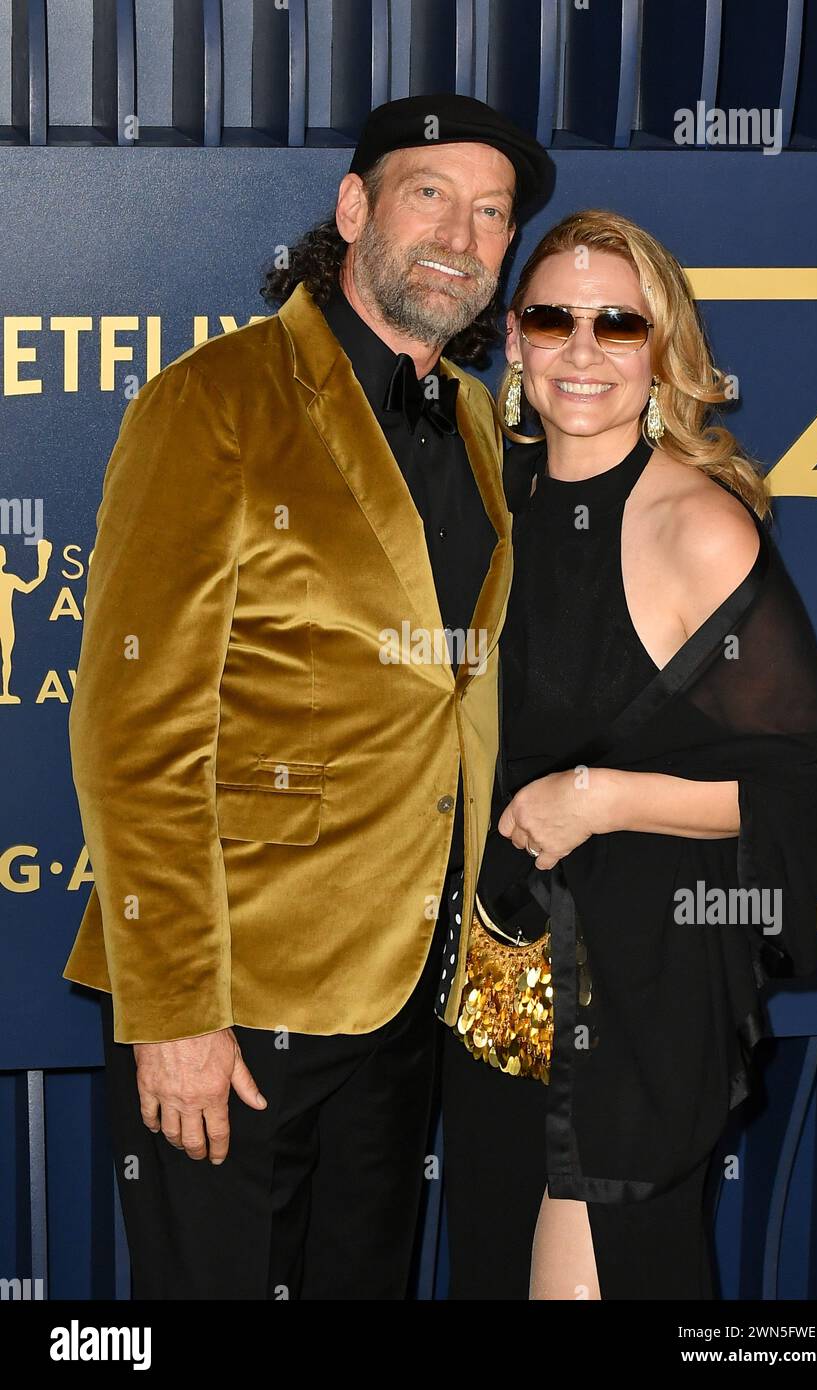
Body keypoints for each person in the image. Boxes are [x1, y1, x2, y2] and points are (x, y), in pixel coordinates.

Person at [61, 94, 554, 1299]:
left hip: (403, 995)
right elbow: (133, 725)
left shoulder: (481, 424)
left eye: (491, 214)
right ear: (354, 211)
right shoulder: (216, 400)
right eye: (429, 193)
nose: (461, 232)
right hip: (231, 1003)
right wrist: (172, 1009)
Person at [438, 208, 817, 1300]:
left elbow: (791, 786)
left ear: (660, 350)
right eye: (551, 318)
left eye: (615, 323)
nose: (580, 350)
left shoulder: (695, 527)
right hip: (498, 982)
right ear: (512, 340)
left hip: (639, 987)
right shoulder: (488, 496)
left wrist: (603, 796)